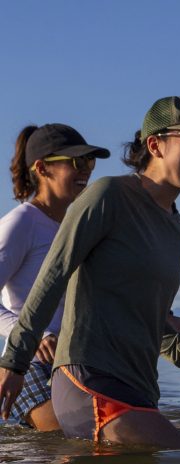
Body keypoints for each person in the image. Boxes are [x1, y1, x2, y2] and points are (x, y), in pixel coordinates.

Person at [0, 97, 180, 448]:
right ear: (155, 144)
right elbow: (53, 277)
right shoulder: (107, 196)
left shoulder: (177, 230)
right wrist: (15, 362)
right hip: (90, 379)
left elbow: (148, 318)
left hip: (139, 386)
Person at [0, 123, 110, 430]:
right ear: (41, 168)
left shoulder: (80, 226)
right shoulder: (21, 223)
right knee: (75, 443)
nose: (85, 171)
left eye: (89, 162)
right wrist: (37, 337)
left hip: (76, 363)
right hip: (29, 366)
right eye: (76, 162)